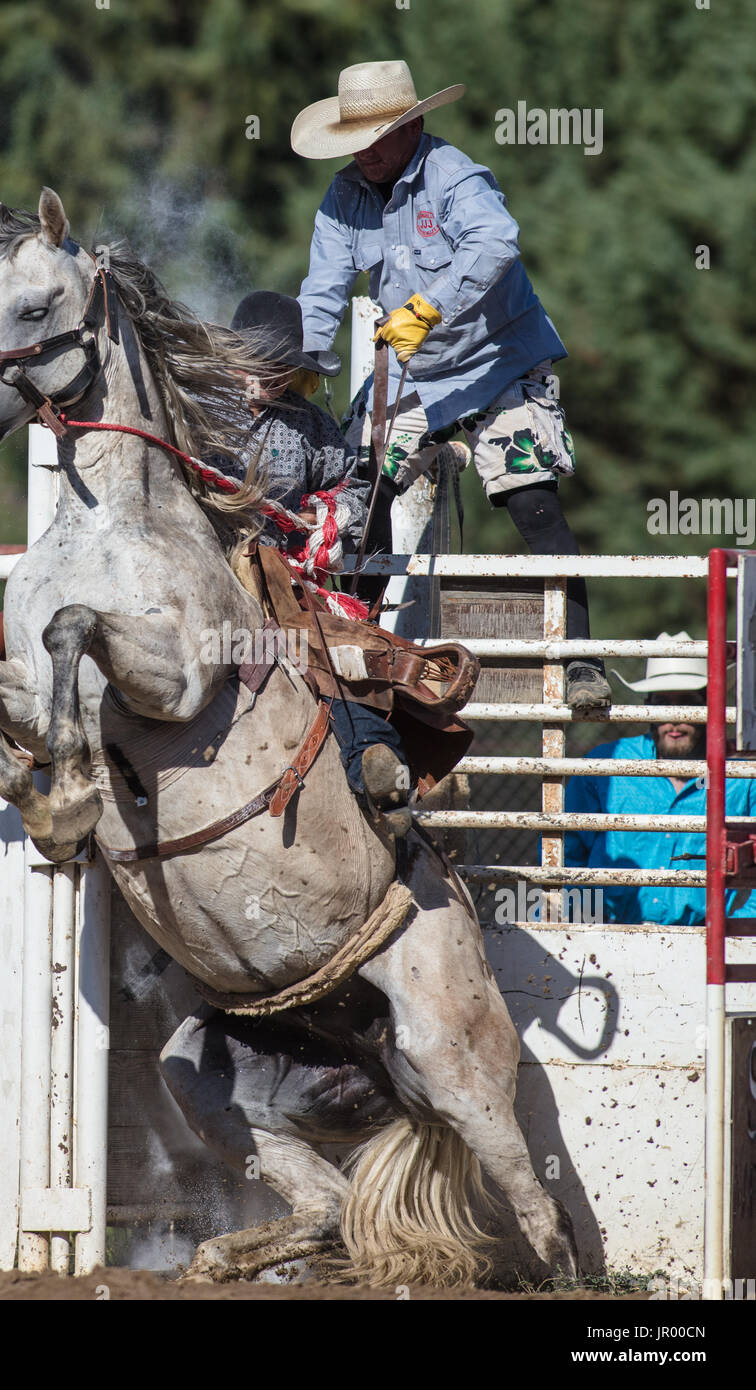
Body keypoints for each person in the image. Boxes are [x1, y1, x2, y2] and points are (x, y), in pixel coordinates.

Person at [291, 59, 610, 711]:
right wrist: (297, 357)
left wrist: (426, 307)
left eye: (381, 134)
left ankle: (583, 662)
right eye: (358, 137)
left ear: (414, 125)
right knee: (365, 491)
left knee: (534, 503)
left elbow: (497, 243)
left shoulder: (453, 175)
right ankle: (363, 648)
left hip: (500, 362)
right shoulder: (342, 199)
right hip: (419, 374)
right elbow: (322, 289)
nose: (368, 151)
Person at [220, 291, 414, 831]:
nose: (277, 376)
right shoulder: (200, 411)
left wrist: (327, 513)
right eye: (268, 364)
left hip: (284, 575)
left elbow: (356, 483)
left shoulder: (308, 423)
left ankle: (374, 761)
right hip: (209, 563)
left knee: (332, 646)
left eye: (286, 366)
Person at [564, 636, 756, 924]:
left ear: (708, 705)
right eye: (663, 704)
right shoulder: (606, 766)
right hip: (607, 937)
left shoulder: (742, 777)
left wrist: (739, 928)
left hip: (699, 942)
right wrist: (579, 929)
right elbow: (567, 855)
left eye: (686, 704)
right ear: (648, 707)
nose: (674, 719)